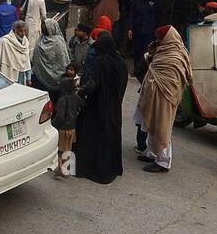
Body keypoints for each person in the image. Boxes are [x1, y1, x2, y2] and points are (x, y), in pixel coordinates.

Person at [72, 32, 127, 184]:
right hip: (114, 107)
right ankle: (109, 169)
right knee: (109, 136)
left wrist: (81, 92)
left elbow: (93, 84)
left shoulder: (101, 62)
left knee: (89, 135)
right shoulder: (121, 63)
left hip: (97, 106)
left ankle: (88, 168)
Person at [136, 26, 192, 174]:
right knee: (151, 123)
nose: (158, 41)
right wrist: (152, 52)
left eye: (160, 38)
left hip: (166, 96)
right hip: (154, 93)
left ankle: (163, 161)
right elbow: (152, 65)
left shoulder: (176, 55)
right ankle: (152, 153)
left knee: (162, 126)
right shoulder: (163, 49)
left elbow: (173, 78)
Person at [52, 65, 82, 179]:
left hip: (62, 129)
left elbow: (59, 116)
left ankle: (61, 169)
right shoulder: (76, 98)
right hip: (72, 128)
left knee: (60, 150)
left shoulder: (62, 100)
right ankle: (68, 169)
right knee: (68, 149)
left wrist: (53, 125)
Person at [31, 19, 70, 99]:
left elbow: (63, 60)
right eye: (42, 27)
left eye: (45, 27)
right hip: (40, 76)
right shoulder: (40, 39)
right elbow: (35, 56)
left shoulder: (59, 42)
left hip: (57, 77)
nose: (42, 29)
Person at [127, 0, 158, 77]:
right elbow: (131, 16)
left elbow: (157, 16)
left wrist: (155, 29)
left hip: (148, 30)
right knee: (137, 50)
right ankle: (136, 70)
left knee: (147, 51)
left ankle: (145, 71)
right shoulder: (136, 2)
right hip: (138, 30)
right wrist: (130, 28)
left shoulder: (153, 2)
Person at [0, 20, 32, 85]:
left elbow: (27, 61)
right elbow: (3, 63)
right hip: (10, 75)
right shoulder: (5, 42)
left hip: (21, 75)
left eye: (24, 31)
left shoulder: (25, 41)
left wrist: (28, 78)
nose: (23, 33)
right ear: (15, 30)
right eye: (21, 31)